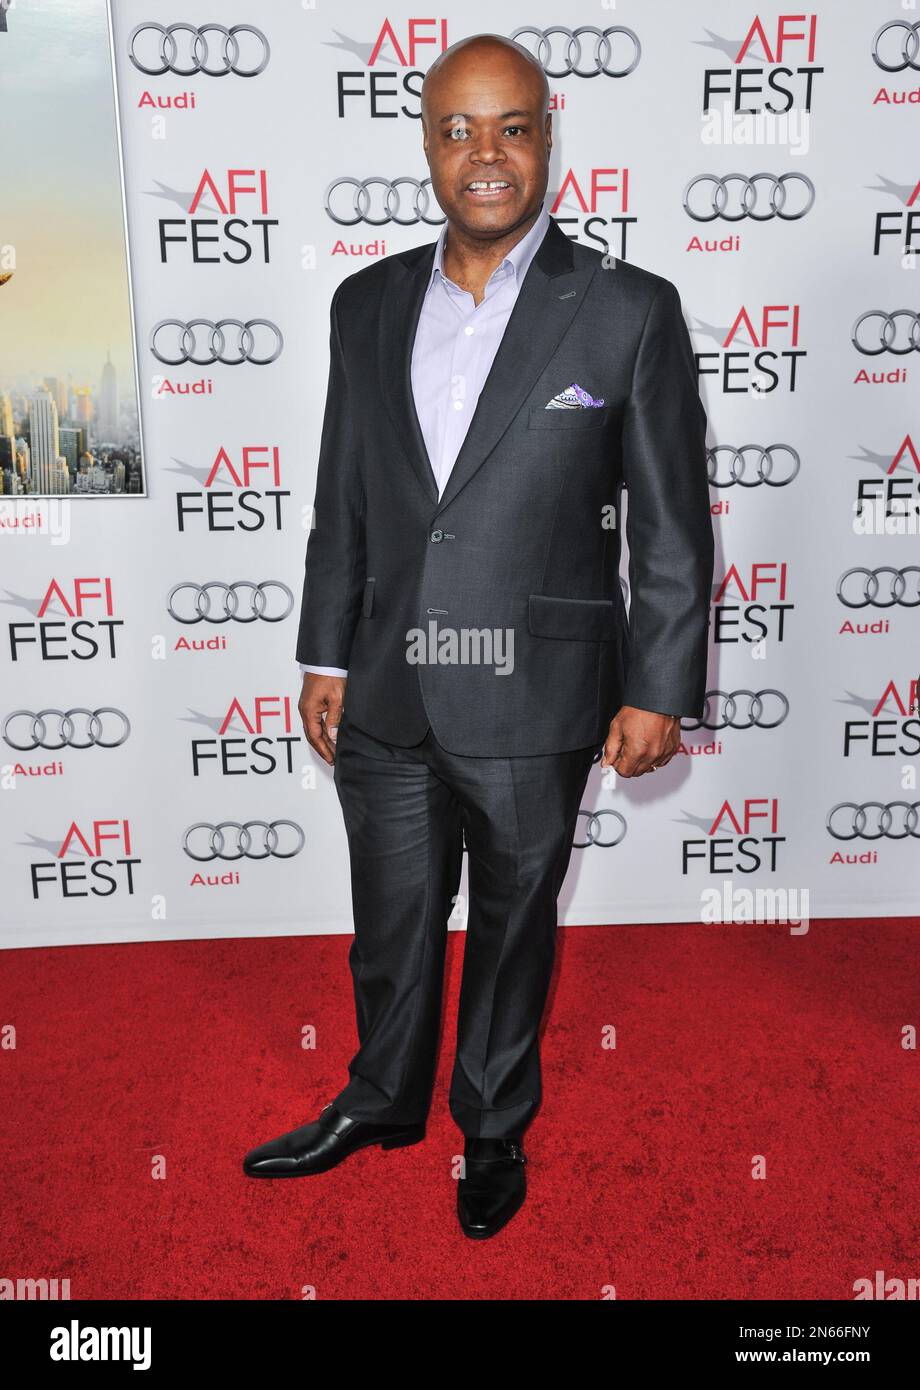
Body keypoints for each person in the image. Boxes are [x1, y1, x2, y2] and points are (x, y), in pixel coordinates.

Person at [243, 33, 713, 1240]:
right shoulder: (366, 302)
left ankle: (490, 1127)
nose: (484, 155)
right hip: (390, 686)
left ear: (548, 139)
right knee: (390, 917)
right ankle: (380, 1096)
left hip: (536, 696)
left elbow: (665, 525)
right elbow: (342, 488)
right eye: (457, 130)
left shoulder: (628, 311)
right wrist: (324, 653)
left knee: (512, 927)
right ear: (425, 146)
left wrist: (658, 686)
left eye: (509, 127)